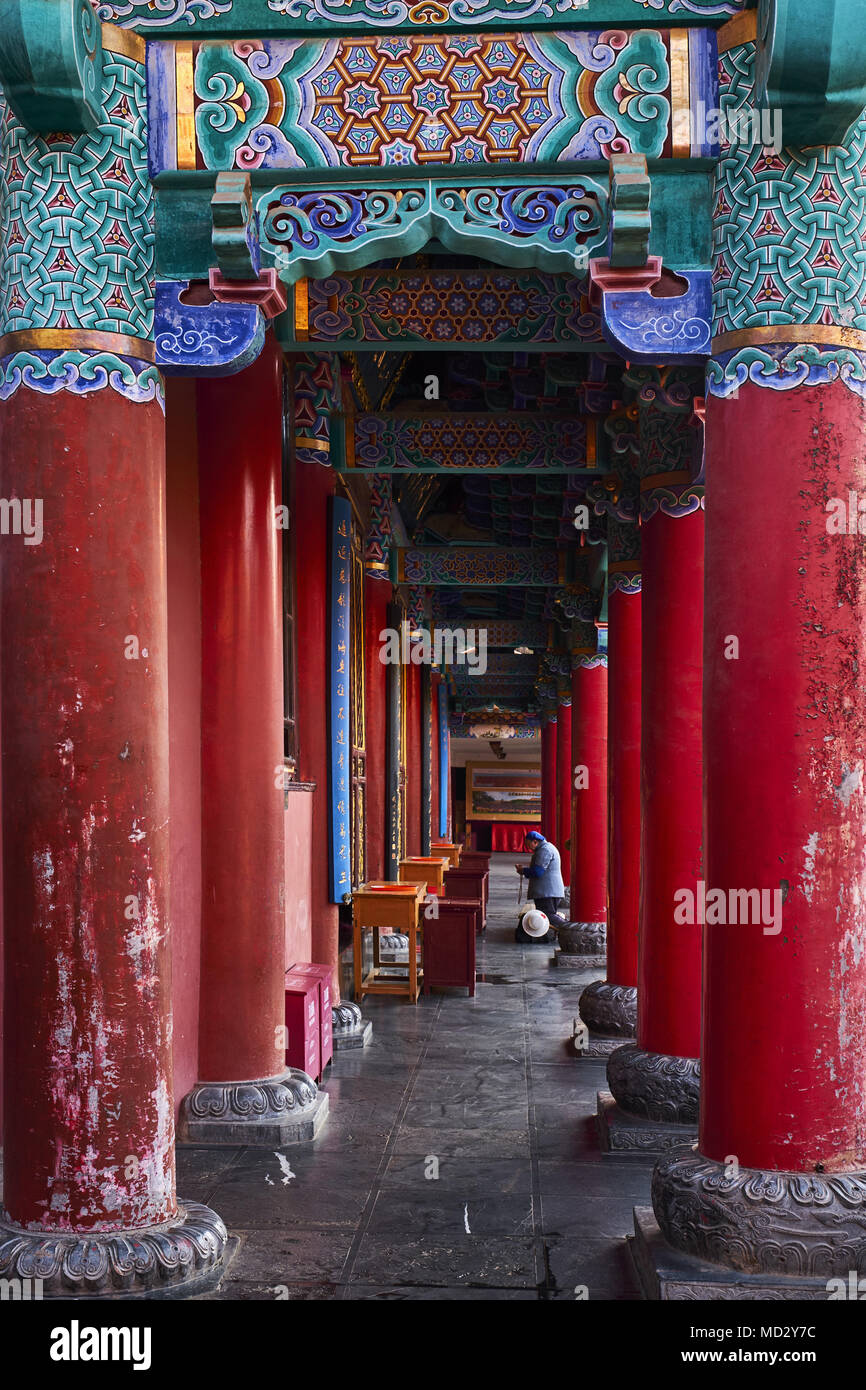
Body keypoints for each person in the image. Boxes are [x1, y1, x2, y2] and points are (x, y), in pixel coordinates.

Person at [514, 830, 566, 942]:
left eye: (528, 844)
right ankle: (565, 930)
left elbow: (538, 872)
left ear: (535, 842)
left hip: (548, 891)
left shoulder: (545, 850)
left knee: (547, 915)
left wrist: (523, 870)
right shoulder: (545, 848)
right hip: (548, 890)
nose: (528, 848)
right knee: (547, 915)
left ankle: (568, 928)